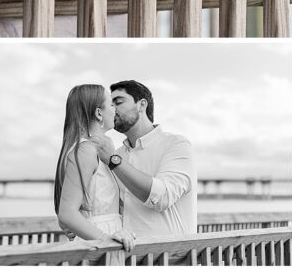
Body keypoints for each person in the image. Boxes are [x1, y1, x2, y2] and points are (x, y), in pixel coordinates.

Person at [87, 80, 197, 237]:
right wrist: (83, 224)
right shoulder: (116, 154)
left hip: (169, 257)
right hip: (125, 255)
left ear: (141, 105)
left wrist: (113, 160)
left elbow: (162, 198)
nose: (112, 109)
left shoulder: (177, 145)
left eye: (118, 102)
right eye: (110, 105)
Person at [55, 84, 136, 262]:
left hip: (104, 238)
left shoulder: (95, 149)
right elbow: (67, 213)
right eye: (111, 104)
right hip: (97, 243)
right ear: (99, 113)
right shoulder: (85, 150)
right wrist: (105, 239)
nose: (115, 110)